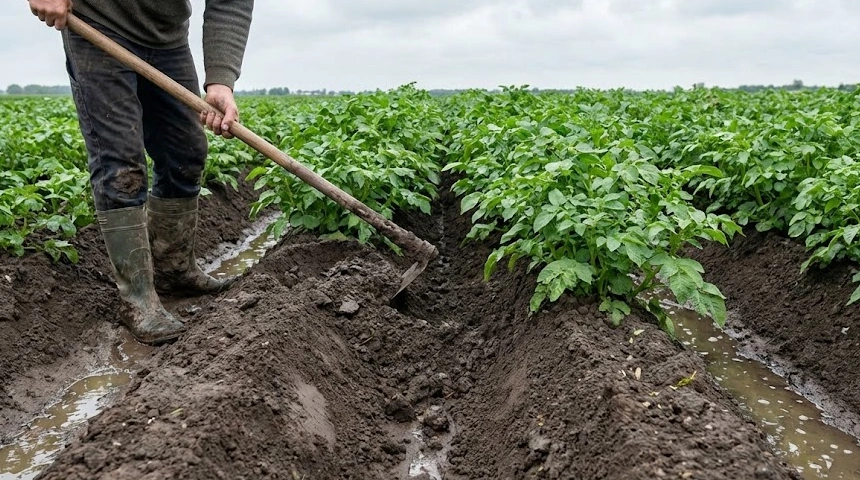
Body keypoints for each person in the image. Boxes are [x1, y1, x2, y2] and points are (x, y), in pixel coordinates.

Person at [28, 0, 255, 345]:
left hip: (166, 37)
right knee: (121, 165)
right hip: (98, 22)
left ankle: (173, 270)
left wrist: (221, 81)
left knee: (185, 151)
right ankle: (137, 300)